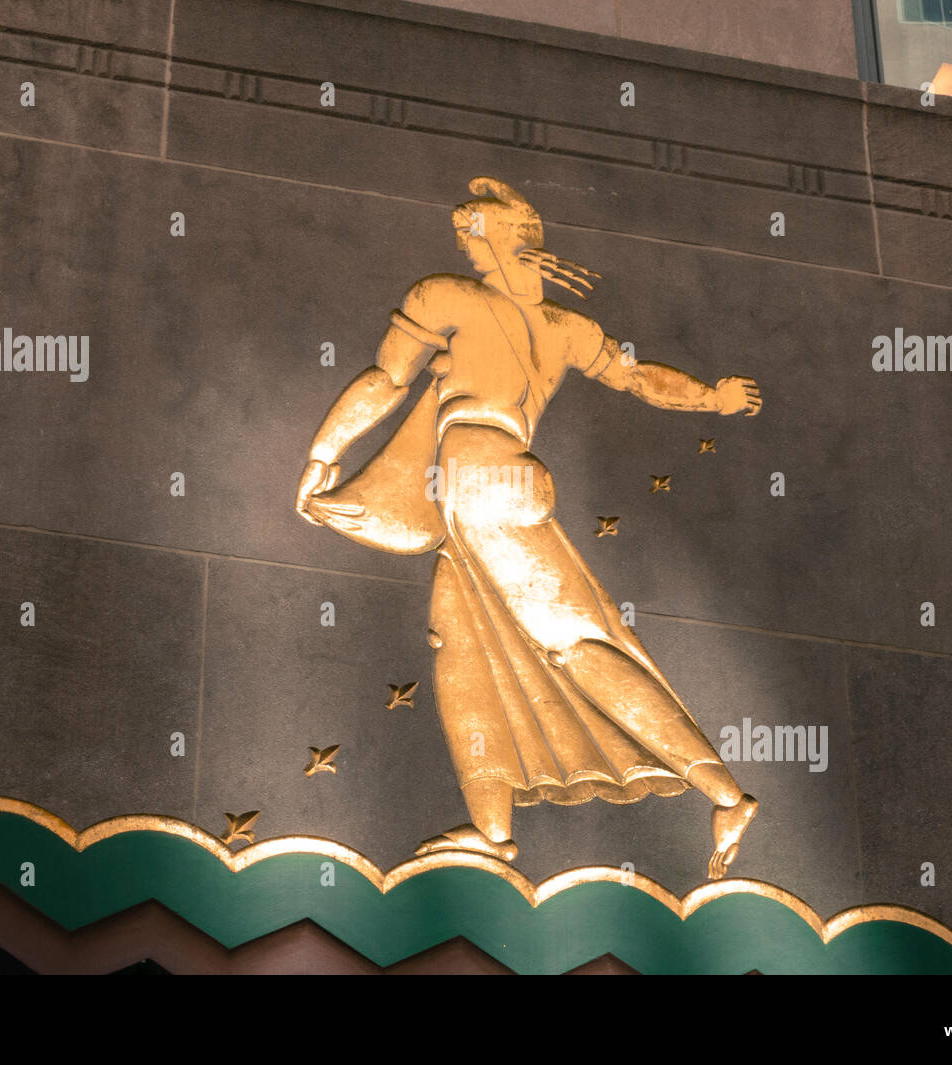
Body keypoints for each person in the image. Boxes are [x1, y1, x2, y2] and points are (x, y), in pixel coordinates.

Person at [297, 177, 762, 879]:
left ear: (503, 236)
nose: (467, 246)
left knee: (570, 639)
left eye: (474, 233)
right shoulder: (564, 328)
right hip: (479, 485)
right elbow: (639, 379)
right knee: (459, 643)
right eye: (463, 238)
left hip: (484, 477)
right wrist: (711, 398)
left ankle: (723, 792)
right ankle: (492, 830)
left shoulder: (450, 296)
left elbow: (386, 381)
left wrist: (324, 452)